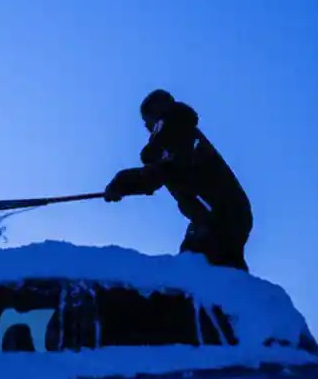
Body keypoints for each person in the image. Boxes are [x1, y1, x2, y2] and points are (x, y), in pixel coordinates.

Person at [104, 89, 253, 271]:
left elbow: (162, 172)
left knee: (196, 262)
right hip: (219, 214)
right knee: (215, 263)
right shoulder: (178, 133)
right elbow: (162, 172)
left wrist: (122, 183)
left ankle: (228, 289)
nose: (149, 128)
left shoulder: (178, 131)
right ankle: (239, 291)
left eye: (150, 121)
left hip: (221, 215)